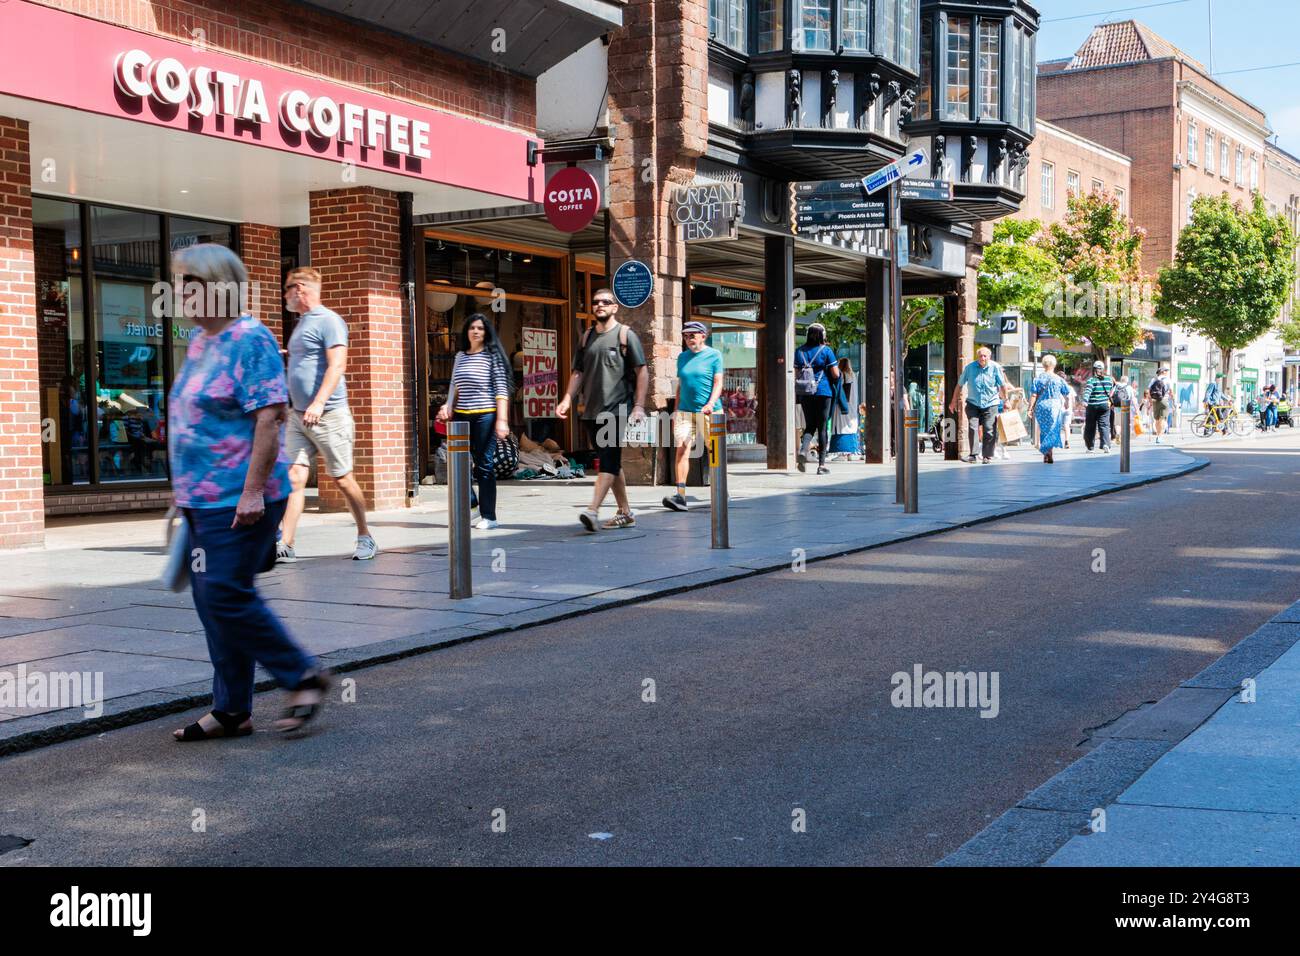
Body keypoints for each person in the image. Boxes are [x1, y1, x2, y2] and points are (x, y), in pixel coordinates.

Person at [167, 244, 328, 741]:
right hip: (201, 499)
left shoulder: (250, 338)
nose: (178, 291)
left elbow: (270, 417)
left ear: (217, 285)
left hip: (240, 498)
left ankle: (302, 675)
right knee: (211, 599)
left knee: (225, 594)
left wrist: (253, 491)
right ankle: (232, 710)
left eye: (187, 281)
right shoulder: (200, 341)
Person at [277, 266, 376, 562]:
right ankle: (287, 543)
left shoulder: (330, 321)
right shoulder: (302, 323)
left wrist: (318, 403)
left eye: (286, 290)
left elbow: (337, 365)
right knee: (294, 477)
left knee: (342, 478)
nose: (284, 296)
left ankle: (365, 536)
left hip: (328, 414)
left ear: (300, 290)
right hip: (297, 416)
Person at [557, 288, 648, 531]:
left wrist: (638, 406)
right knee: (612, 461)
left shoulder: (626, 335)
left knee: (607, 461)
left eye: (606, 302)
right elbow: (578, 372)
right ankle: (626, 512)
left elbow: (642, 372)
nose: (600, 305)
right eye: (596, 302)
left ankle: (592, 510)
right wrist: (567, 398)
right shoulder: (586, 337)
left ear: (615, 307)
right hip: (591, 410)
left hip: (617, 409)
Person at [437, 314, 513, 529]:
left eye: (480, 328)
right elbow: (454, 384)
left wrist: (502, 420)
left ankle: (489, 516)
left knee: (484, 466)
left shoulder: (493, 356)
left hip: (485, 416)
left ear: (486, 332)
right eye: (472, 327)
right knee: (456, 463)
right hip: (461, 415)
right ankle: (471, 506)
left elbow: (501, 389)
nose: (476, 331)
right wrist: (448, 405)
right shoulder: (460, 356)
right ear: (467, 331)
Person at [663, 320, 723, 512]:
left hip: (710, 411)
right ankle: (680, 496)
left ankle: (720, 489)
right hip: (684, 411)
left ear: (703, 336)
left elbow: (718, 383)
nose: (688, 339)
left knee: (714, 451)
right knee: (681, 449)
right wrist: (675, 410)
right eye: (686, 336)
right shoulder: (682, 357)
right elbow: (681, 385)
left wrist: (710, 404)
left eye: (692, 335)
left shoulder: (714, 355)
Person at [794, 323, 839, 474]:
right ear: (823, 335)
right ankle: (821, 465)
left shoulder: (799, 351)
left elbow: (797, 373)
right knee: (822, 427)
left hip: (806, 393)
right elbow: (835, 374)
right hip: (823, 391)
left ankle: (802, 450)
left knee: (810, 425)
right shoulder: (826, 350)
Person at [950, 347, 1008, 463]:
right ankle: (973, 455)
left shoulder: (995, 367)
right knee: (972, 427)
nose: (982, 358)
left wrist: (1006, 400)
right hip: (973, 403)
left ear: (989, 357)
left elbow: (1002, 385)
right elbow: (959, 385)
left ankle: (987, 456)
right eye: (980, 356)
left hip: (991, 403)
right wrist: (953, 401)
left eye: (985, 356)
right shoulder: (970, 368)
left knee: (989, 429)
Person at [1027, 354, 1070, 463]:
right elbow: (1066, 392)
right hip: (1055, 405)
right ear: (1054, 365)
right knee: (1053, 429)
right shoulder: (1058, 379)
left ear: (1043, 365)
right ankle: (1049, 451)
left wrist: (1030, 409)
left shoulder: (1038, 379)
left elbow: (1033, 395)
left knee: (1044, 429)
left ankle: (1046, 452)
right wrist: (1067, 404)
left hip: (1041, 406)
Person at [1081, 360, 1115, 453]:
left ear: (1094, 369)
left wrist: (1085, 401)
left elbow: (1088, 391)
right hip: (1104, 405)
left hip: (1092, 406)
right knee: (1104, 425)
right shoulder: (1109, 380)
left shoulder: (1091, 380)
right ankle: (1105, 444)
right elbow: (1112, 391)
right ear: (1103, 369)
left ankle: (1090, 447)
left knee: (1090, 427)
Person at [829, 358, 859, 460]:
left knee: (841, 427)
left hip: (841, 406)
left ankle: (842, 453)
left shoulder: (840, 375)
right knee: (850, 426)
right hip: (852, 406)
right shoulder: (853, 375)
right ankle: (850, 453)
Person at [1147, 367, 1172, 443]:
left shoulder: (1154, 379)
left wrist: (1150, 401)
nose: (1167, 372)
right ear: (1163, 372)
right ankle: (1159, 437)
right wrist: (1173, 399)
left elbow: (1148, 391)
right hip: (1164, 400)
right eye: (1166, 371)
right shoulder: (1167, 380)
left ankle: (1158, 435)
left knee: (1157, 419)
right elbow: (1171, 391)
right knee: (1162, 419)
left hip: (1155, 400)